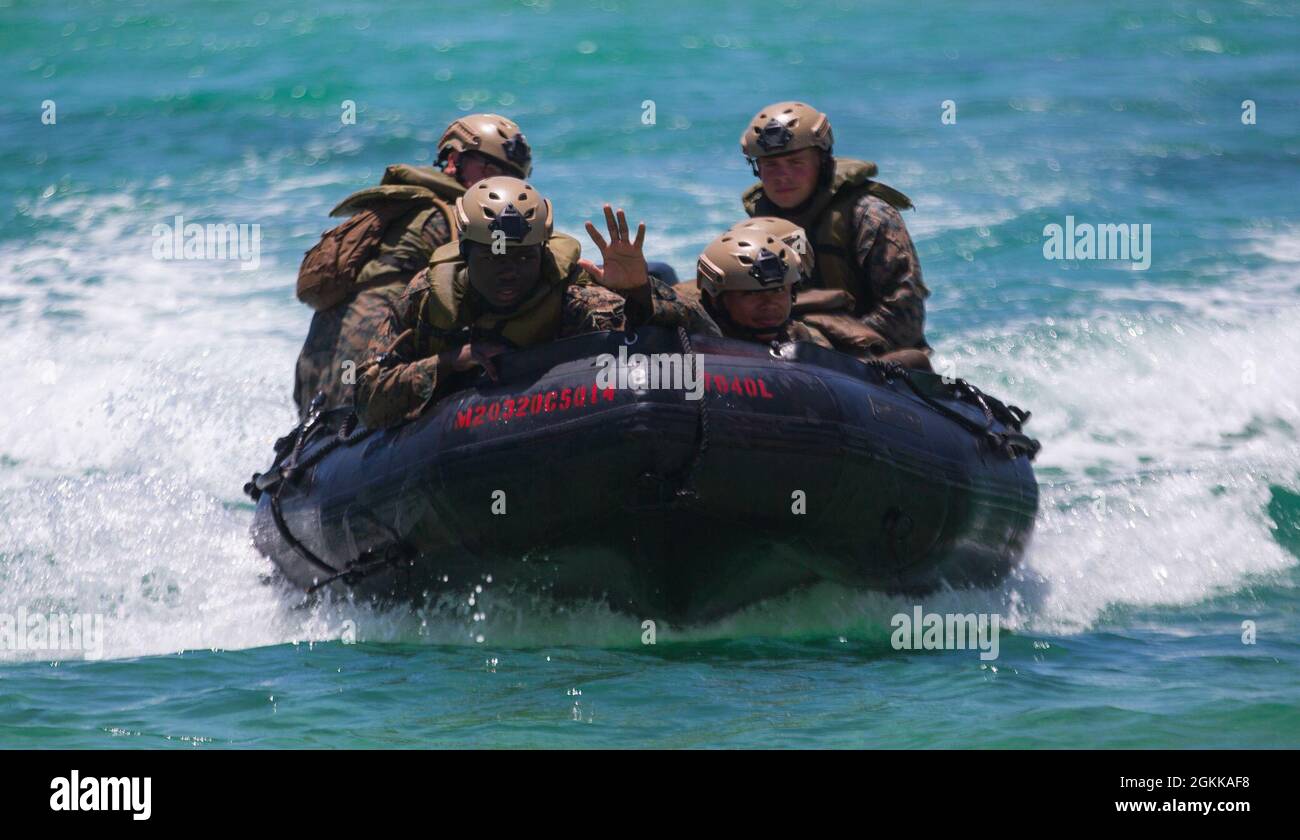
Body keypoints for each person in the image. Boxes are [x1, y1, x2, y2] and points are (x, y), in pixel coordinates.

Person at [354, 177, 719, 428]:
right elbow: (368, 400)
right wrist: (451, 361)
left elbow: (708, 338)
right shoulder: (425, 300)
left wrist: (639, 292)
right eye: (494, 258)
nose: (509, 272)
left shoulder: (574, 294)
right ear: (466, 255)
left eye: (524, 258)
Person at [292, 113, 534, 419]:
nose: (497, 186)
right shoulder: (448, 218)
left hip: (317, 377)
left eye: (509, 180)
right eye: (488, 170)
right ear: (454, 160)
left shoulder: (403, 208)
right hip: (370, 376)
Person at [739, 101, 932, 371]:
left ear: (822, 163)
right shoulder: (758, 228)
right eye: (770, 165)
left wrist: (827, 348)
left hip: (876, 363)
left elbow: (905, 319)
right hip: (794, 356)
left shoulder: (869, 217)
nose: (783, 176)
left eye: (796, 163)